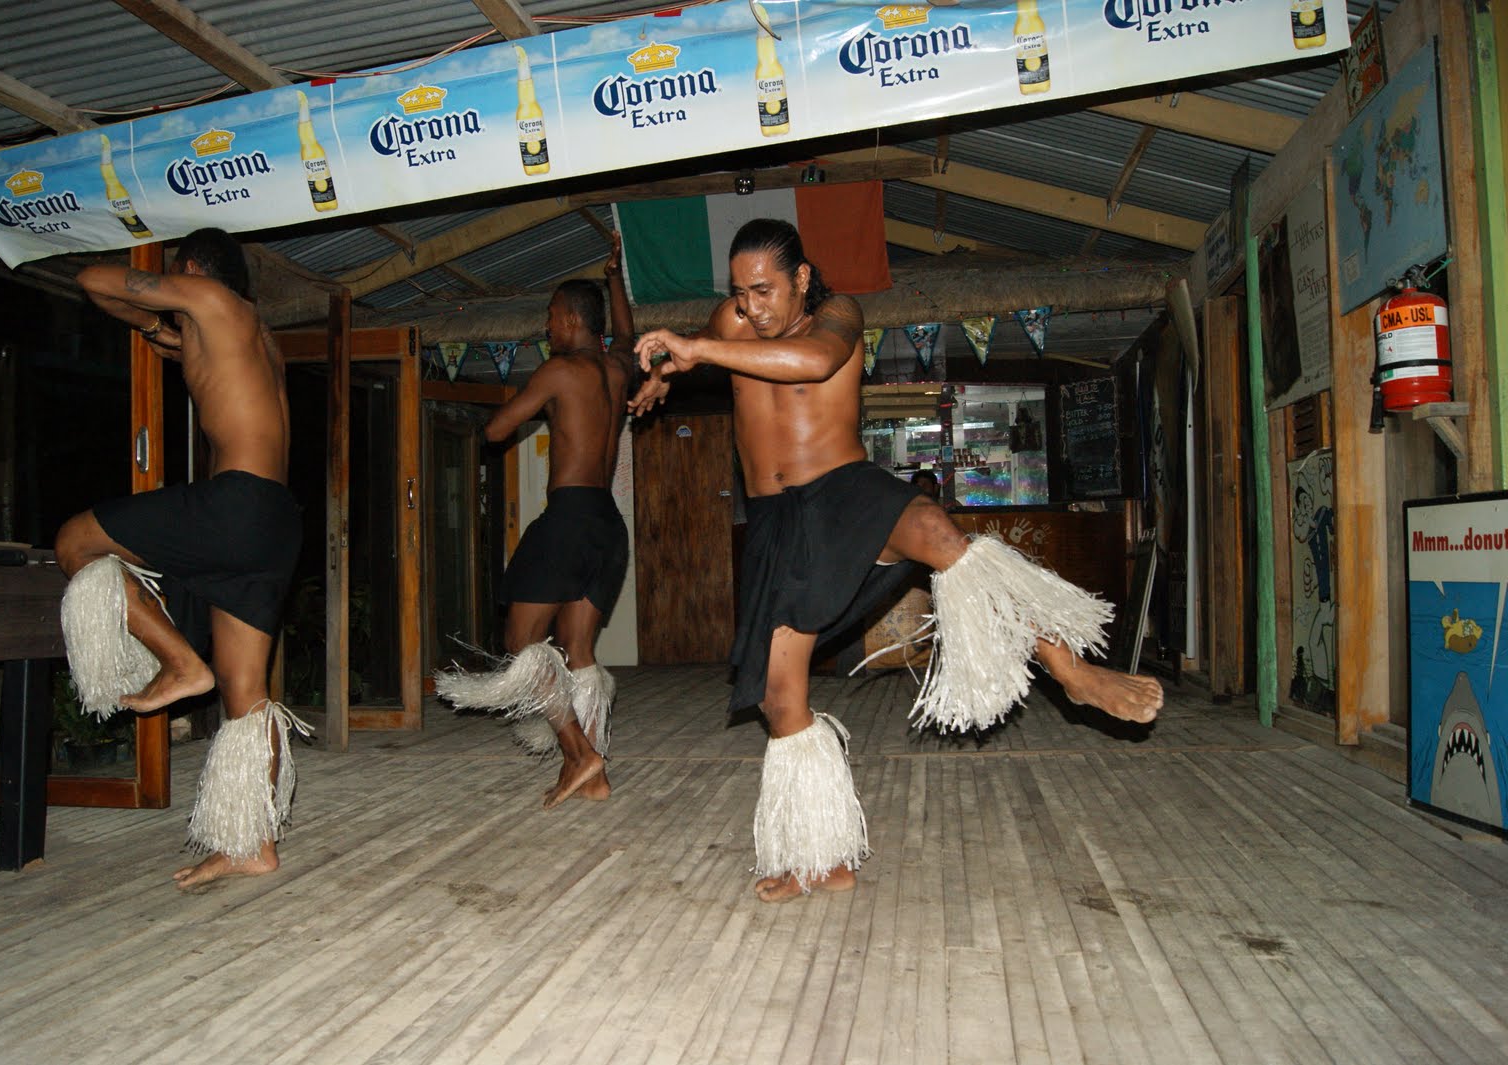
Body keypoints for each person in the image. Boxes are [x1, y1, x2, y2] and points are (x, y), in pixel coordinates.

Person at [630, 218, 1162, 903]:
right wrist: (662, 377)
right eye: (739, 293)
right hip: (776, 521)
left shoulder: (841, 313)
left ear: (800, 277)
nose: (751, 307)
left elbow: (816, 361)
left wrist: (696, 349)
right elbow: (698, 357)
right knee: (780, 699)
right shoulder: (727, 323)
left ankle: (1071, 669)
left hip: (846, 490)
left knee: (942, 534)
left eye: (764, 290)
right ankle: (822, 855)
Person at [55, 228, 306, 890]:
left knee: (76, 541)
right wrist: (160, 322)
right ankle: (252, 841)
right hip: (275, 519)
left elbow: (94, 282)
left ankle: (178, 660)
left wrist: (161, 290)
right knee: (248, 695)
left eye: (176, 274)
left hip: (235, 504)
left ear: (193, 270)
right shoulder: (255, 334)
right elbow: (146, 321)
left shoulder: (210, 298)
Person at [434, 231, 635, 809]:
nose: (547, 327)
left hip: (568, 518)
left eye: (551, 317)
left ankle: (579, 753)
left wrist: (532, 399)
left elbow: (497, 431)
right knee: (578, 651)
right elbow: (626, 335)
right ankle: (593, 771)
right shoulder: (618, 370)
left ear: (572, 319)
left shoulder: (559, 372)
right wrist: (615, 279)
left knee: (521, 642)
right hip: (606, 525)